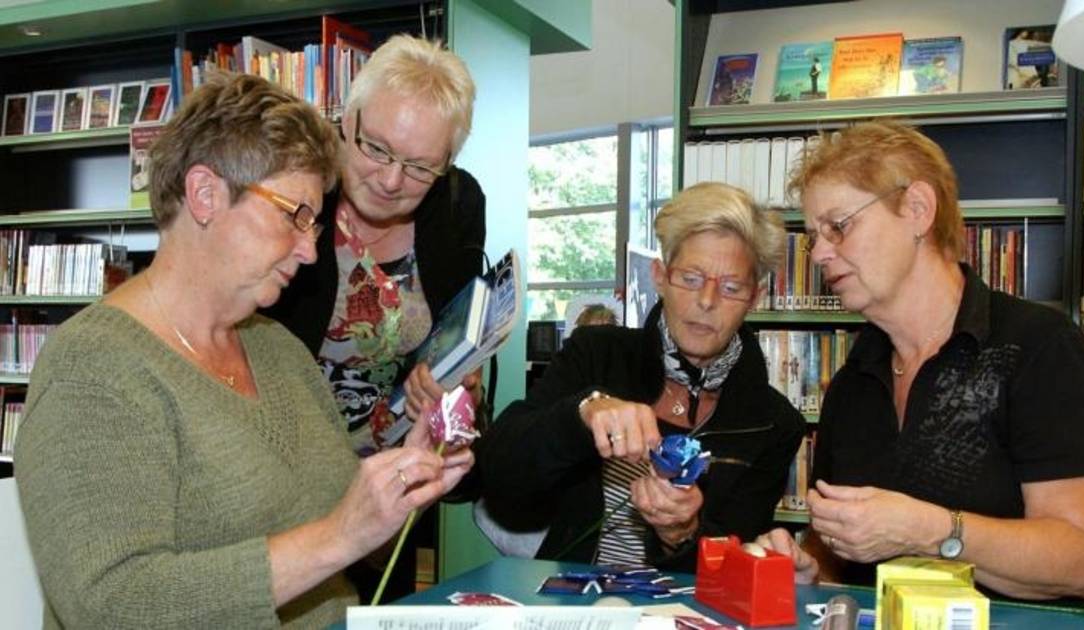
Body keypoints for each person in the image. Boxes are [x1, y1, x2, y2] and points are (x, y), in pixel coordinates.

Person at [14, 73, 472, 629]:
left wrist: (401, 486)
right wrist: (339, 536)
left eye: (315, 223)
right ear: (206, 194)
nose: (309, 251)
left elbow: (347, 542)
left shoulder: (278, 352)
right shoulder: (93, 368)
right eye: (292, 216)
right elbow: (111, 604)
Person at [756, 120, 1084, 608]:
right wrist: (809, 572)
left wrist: (930, 529)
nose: (821, 252)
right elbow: (841, 552)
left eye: (839, 226)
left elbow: (1083, 564)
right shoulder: (854, 381)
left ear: (917, 210)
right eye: (814, 237)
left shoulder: (1040, 349)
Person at [475, 182, 804, 570]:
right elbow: (495, 470)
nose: (707, 301)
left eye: (731, 287)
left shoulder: (774, 425)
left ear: (755, 297)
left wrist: (682, 533)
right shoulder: (595, 354)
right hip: (573, 603)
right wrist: (581, 414)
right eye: (691, 279)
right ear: (660, 276)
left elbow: (735, 565)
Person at [263, 34, 485, 600]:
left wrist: (451, 382)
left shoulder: (456, 208)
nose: (391, 181)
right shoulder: (290, 189)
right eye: (377, 149)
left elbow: (459, 332)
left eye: (419, 167)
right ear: (347, 119)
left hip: (390, 476)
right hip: (279, 470)